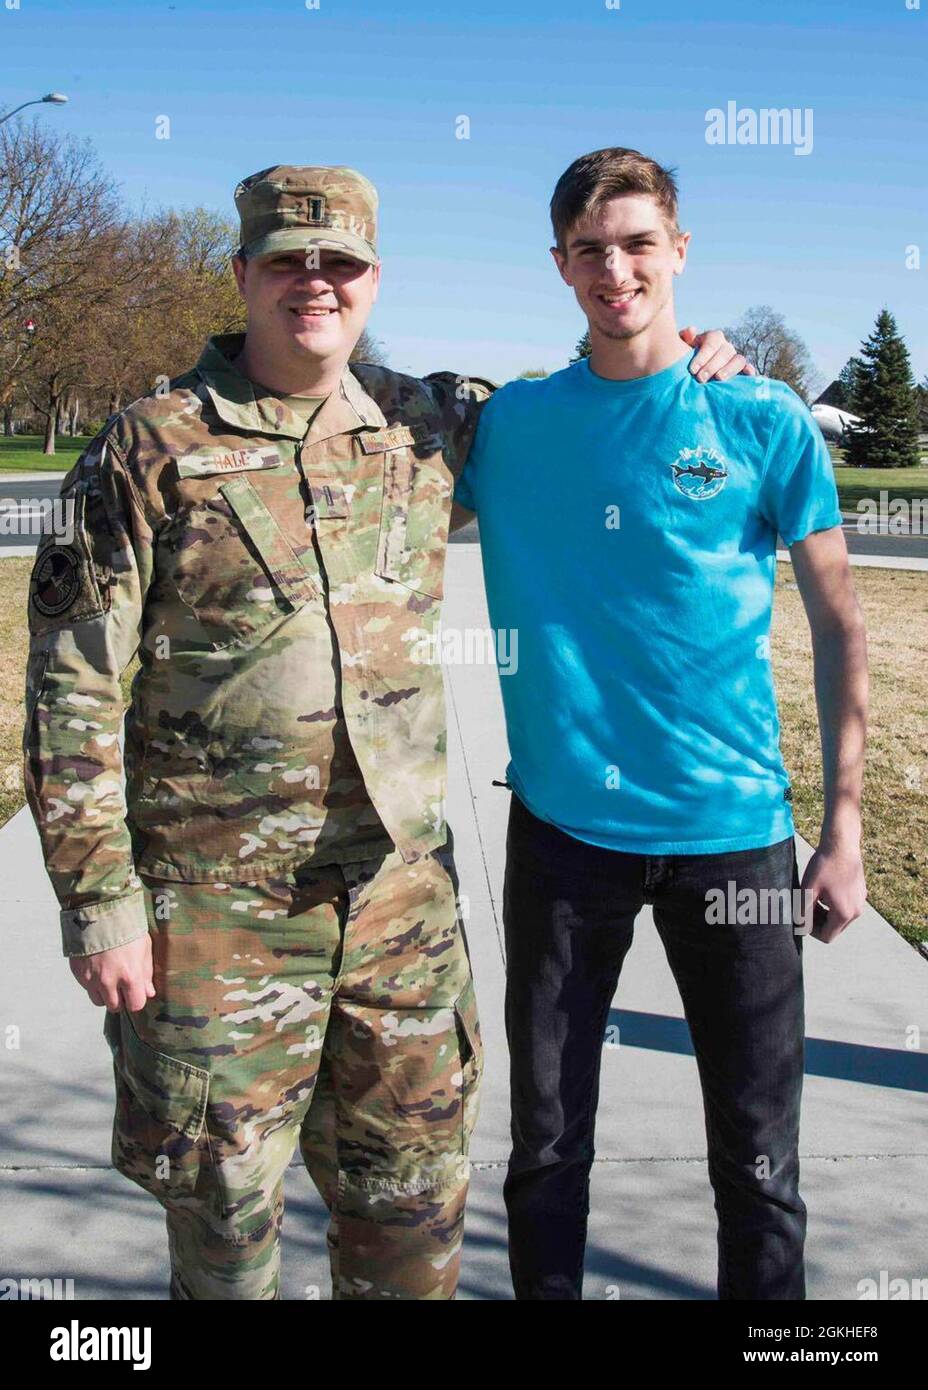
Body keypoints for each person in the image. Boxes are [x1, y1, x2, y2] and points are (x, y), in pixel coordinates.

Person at [22, 160, 745, 1301]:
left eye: (341, 262)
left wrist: (699, 361)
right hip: (215, 925)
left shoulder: (432, 424)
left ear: (373, 278)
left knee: (414, 1229)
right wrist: (99, 902)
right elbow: (70, 690)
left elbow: (599, 404)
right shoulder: (143, 449)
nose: (315, 283)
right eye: (287, 260)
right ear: (243, 273)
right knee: (225, 1239)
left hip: (403, 919)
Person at [452, 146, 868, 1300]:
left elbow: (840, 625)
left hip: (733, 838)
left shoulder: (760, 416)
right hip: (562, 841)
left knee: (759, 1163)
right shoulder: (512, 428)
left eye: (638, 243)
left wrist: (842, 829)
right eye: (590, 249)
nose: (615, 268)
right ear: (558, 265)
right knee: (544, 1153)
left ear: (679, 251)